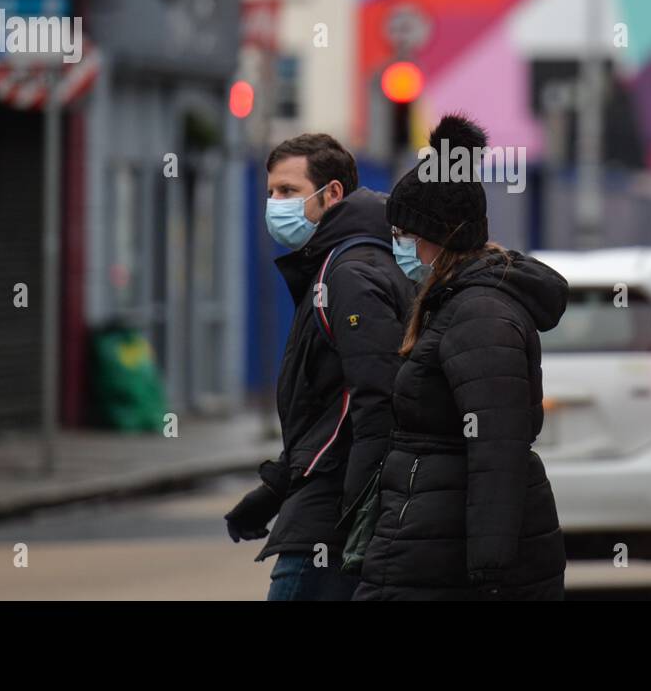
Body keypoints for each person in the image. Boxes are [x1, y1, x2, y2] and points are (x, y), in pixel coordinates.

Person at [354, 114, 569, 601]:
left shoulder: (478, 317)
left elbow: (498, 448)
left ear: (439, 237)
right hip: (430, 552)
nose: (396, 245)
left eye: (403, 233)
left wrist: (489, 573)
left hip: (449, 563)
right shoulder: (453, 304)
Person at [225, 133, 414, 600]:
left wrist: (356, 521)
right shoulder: (336, 266)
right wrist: (273, 492)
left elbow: (377, 401)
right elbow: (329, 410)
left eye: (288, 192)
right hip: (323, 515)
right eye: (270, 193)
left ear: (331, 194)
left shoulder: (349, 275)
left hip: (327, 531)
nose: (275, 205)